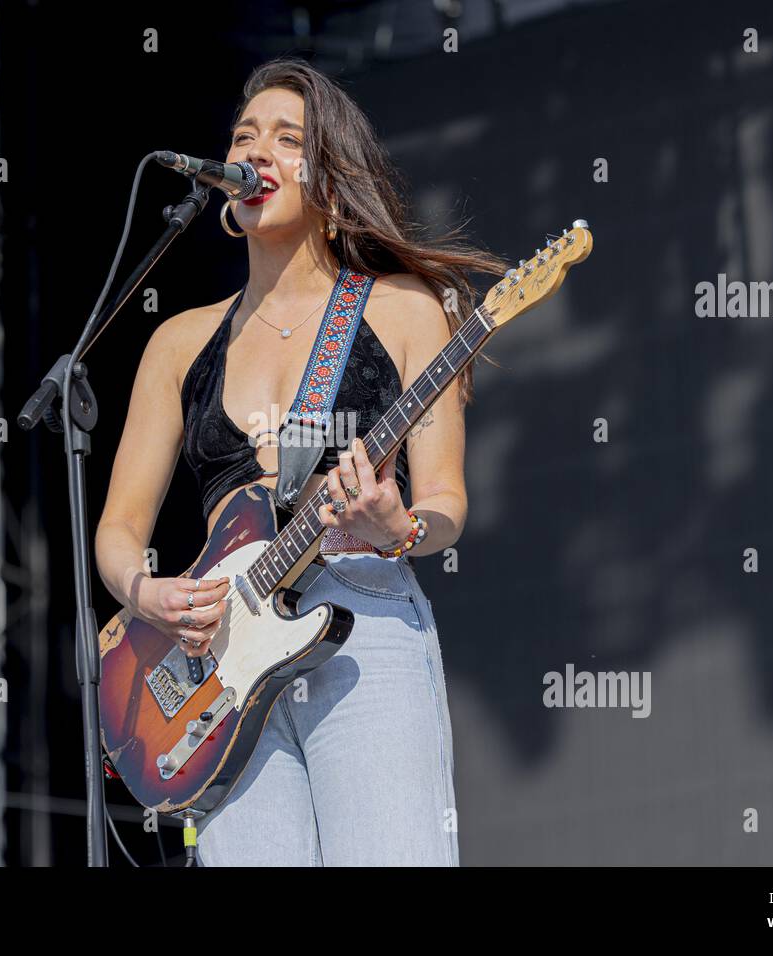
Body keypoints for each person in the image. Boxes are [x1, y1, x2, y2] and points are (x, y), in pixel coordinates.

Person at [95, 56, 506, 866]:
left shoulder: (405, 309)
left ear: (331, 173)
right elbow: (117, 528)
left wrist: (397, 525)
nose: (258, 152)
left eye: (289, 139)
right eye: (246, 136)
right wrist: (148, 595)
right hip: (213, 656)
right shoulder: (179, 342)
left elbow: (447, 504)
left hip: (361, 617)